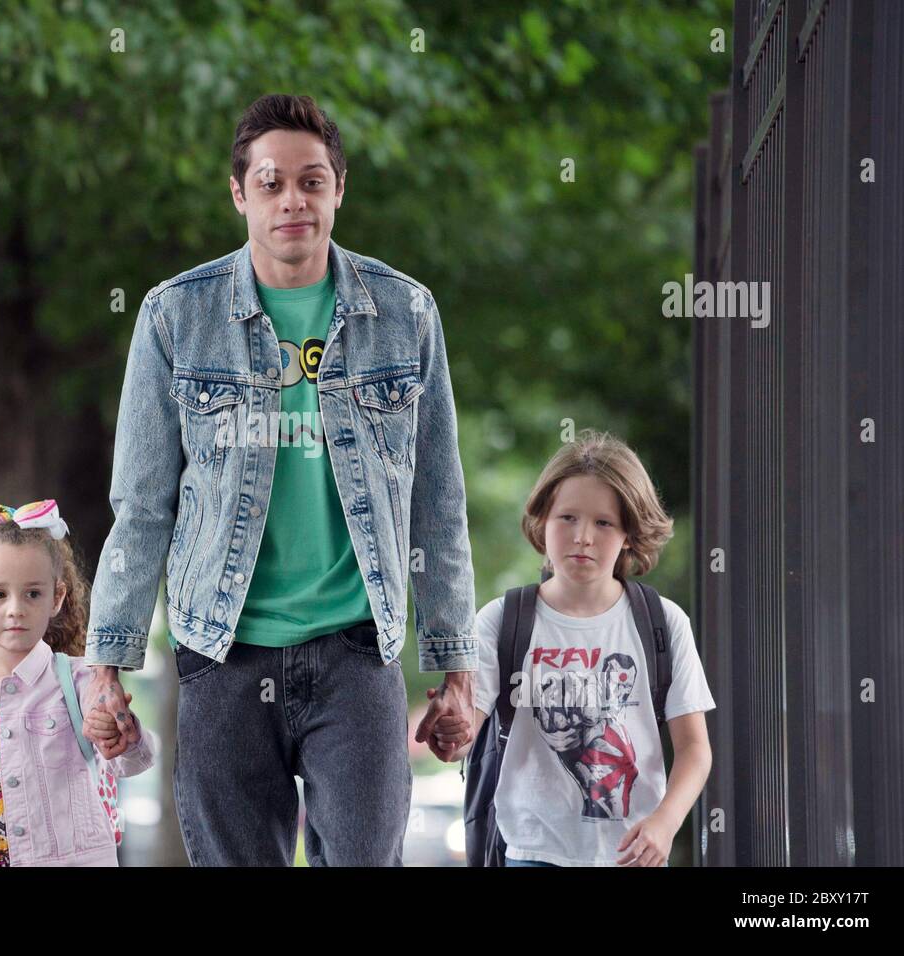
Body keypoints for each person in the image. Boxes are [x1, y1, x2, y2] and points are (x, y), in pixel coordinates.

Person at [83, 93, 477, 866]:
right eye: (270, 183)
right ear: (239, 194)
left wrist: (455, 665)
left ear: (338, 190)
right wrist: (109, 663)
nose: (292, 199)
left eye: (311, 180)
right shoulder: (175, 317)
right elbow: (140, 509)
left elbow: (439, 507)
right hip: (221, 653)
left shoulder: (405, 312)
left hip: (356, 652)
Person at [441, 430, 714, 866]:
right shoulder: (502, 620)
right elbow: (463, 738)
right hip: (531, 853)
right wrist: (448, 731)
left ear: (628, 534)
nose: (582, 536)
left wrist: (665, 821)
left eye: (603, 522)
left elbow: (695, 749)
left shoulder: (663, 623)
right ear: (542, 522)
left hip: (632, 856)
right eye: (567, 517)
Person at [0, 500, 153, 866]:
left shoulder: (81, 682)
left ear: (57, 598)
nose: (15, 609)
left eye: (33, 593)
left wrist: (120, 732)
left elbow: (133, 760)